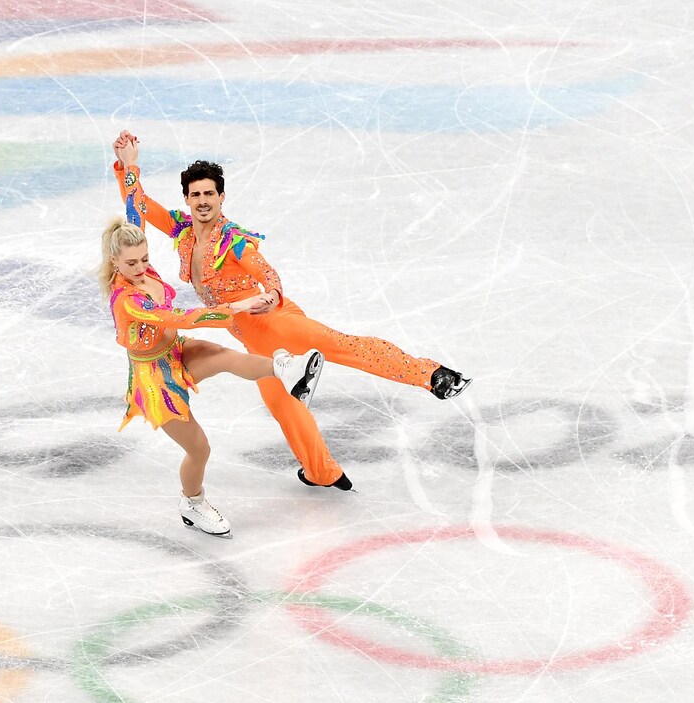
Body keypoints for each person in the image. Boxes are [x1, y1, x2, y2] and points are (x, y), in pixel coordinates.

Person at [111, 129, 470, 492]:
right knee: (283, 404)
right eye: (196, 194)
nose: (203, 201)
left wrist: (274, 291)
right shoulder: (184, 230)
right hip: (250, 337)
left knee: (343, 346)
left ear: (221, 197)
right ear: (187, 199)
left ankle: (431, 375)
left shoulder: (233, 240)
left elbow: (261, 267)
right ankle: (321, 472)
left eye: (209, 194)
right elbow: (139, 208)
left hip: (275, 320)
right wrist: (129, 166)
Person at [99, 218, 321, 536]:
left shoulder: (141, 266)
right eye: (131, 263)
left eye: (145, 259)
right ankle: (191, 503)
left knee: (222, 356)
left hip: (175, 351)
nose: (140, 267)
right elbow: (182, 318)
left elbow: (136, 207)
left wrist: (129, 171)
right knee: (200, 449)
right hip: (154, 380)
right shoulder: (128, 300)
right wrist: (238, 306)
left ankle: (289, 371)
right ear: (115, 261)